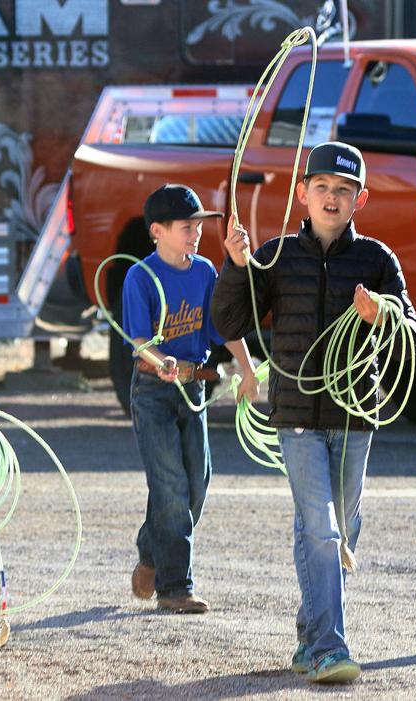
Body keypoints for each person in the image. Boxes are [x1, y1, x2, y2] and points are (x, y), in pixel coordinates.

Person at [212, 142, 416, 683]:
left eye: (345, 190)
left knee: (339, 529)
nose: (333, 198)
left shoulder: (377, 260)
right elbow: (231, 319)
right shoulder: (278, 255)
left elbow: (414, 334)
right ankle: (330, 648)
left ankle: (309, 633)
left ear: (361, 199)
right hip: (297, 417)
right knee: (323, 530)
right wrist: (237, 266)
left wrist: (383, 313)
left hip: (355, 417)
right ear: (302, 193)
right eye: (323, 187)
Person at [124, 184, 258, 614]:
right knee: (170, 486)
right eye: (187, 226)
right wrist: (160, 360)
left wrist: (248, 369)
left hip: (193, 389)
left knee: (195, 485)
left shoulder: (204, 273)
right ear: (157, 232)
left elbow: (224, 328)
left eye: (199, 225)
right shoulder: (140, 277)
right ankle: (175, 587)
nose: (196, 233)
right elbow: (139, 341)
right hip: (153, 391)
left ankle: (150, 552)